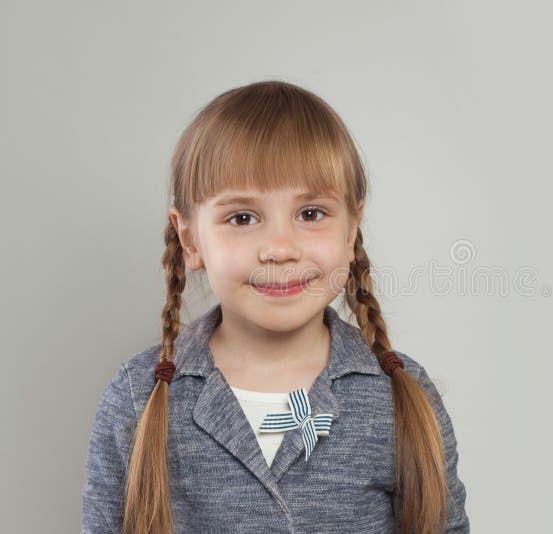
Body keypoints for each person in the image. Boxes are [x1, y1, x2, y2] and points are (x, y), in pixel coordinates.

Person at [81, 80, 470, 534]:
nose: (280, 249)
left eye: (311, 214)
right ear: (190, 239)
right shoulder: (136, 397)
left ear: (351, 231)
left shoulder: (401, 395)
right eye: (242, 218)